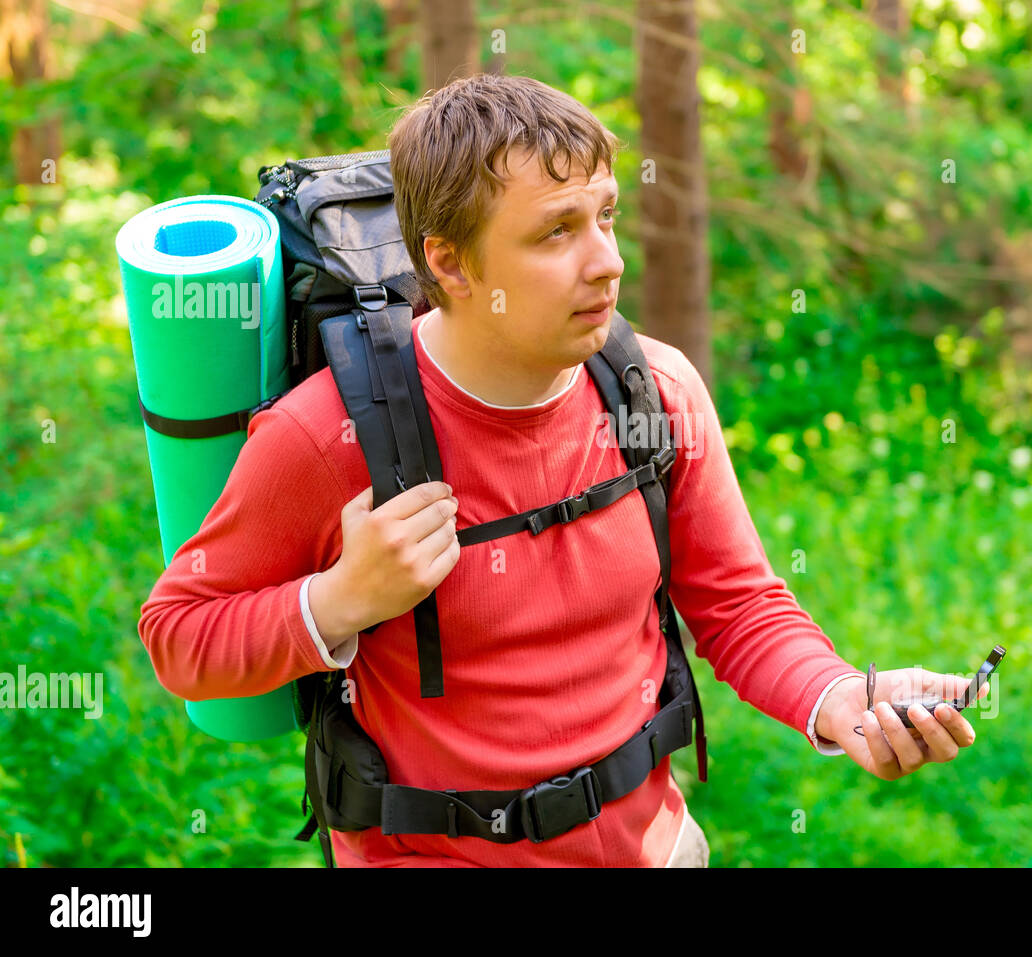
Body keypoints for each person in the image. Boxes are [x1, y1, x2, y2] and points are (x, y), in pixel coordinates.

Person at [138, 73, 983, 868]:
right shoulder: (326, 438)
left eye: (606, 216)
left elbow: (738, 606)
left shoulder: (655, 392)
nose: (606, 261)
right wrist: (339, 600)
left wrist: (839, 694)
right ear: (452, 263)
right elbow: (179, 637)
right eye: (555, 231)